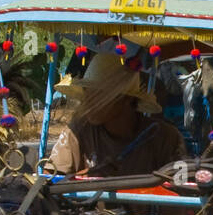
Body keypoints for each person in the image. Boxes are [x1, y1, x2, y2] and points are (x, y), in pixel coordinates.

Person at [47, 52, 185, 177]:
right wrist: (85, 176)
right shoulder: (78, 131)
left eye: (99, 94)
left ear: (126, 99)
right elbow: (50, 179)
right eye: (87, 92)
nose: (88, 101)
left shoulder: (165, 137)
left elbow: (182, 187)